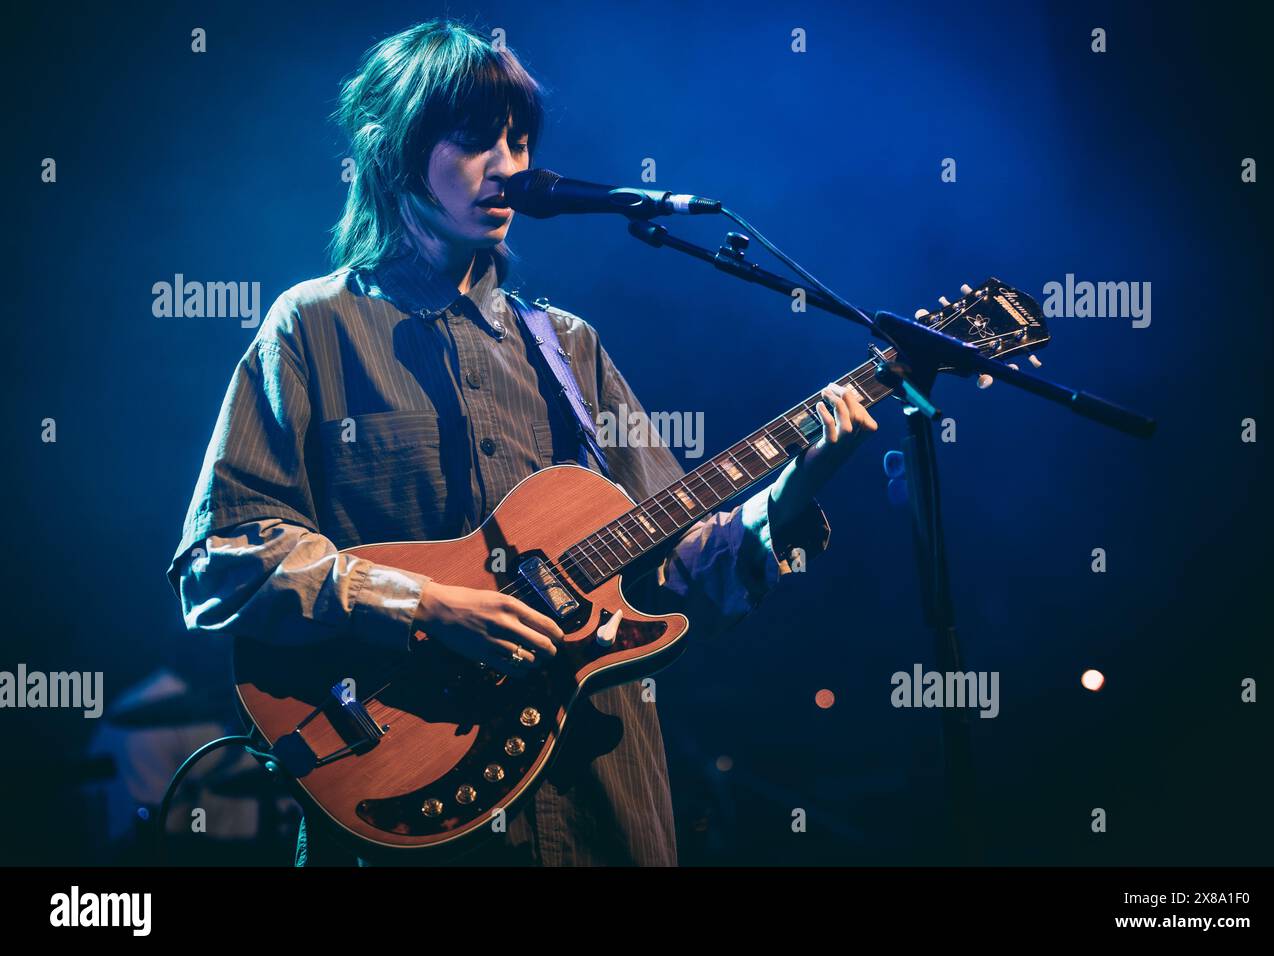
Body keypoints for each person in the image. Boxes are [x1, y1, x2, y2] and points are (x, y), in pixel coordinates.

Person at [166, 19, 877, 866]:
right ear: (395, 153)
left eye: (519, 138)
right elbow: (225, 561)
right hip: (414, 804)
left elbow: (680, 572)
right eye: (475, 142)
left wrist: (796, 488)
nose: (510, 165)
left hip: (601, 808)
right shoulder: (313, 328)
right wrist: (425, 607)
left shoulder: (569, 347)